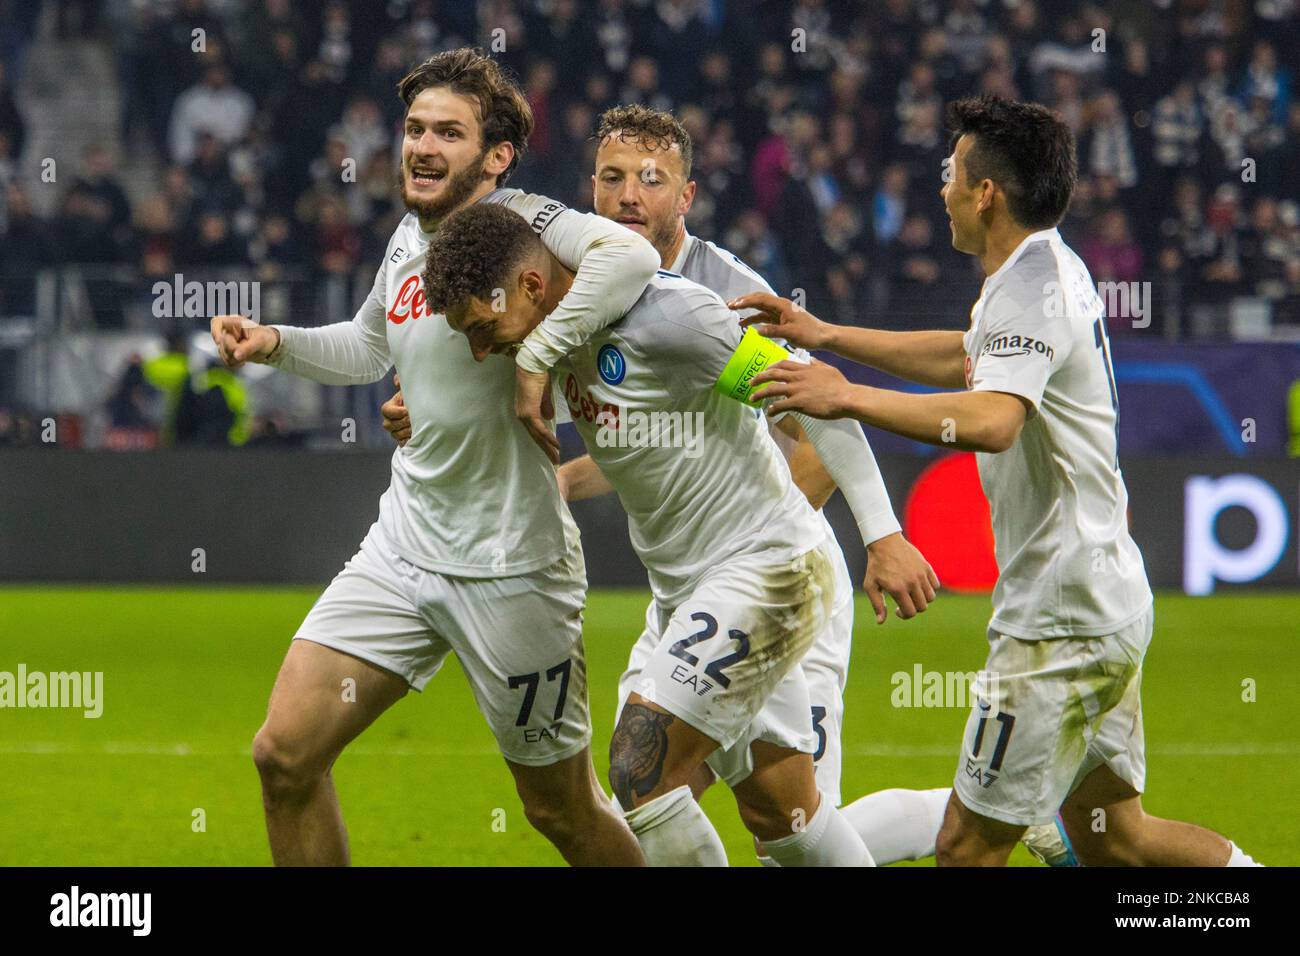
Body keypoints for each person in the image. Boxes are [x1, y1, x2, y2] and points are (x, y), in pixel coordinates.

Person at [735, 95, 1262, 867]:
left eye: (951, 174)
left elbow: (993, 419)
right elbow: (967, 356)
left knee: (965, 846)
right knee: (1121, 844)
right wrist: (827, 337)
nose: (941, 189)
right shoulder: (1039, 268)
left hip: (1059, 622)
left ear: (986, 193)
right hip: (1103, 597)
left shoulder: (1030, 283)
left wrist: (844, 395)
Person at [209, 48, 661, 867]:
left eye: (448, 133)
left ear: (496, 156)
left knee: (560, 810)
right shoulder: (407, 237)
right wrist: (272, 341)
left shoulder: (529, 221)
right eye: (414, 128)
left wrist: (535, 359)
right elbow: (364, 346)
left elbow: (633, 257)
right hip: (405, 547)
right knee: (284, 756)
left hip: (512, 567)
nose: (421, 146)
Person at [427, 200, 912, 866]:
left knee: (640, 767)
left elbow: (817, 408)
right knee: (785, 818)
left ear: (534, 287)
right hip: (685, 591)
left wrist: (884, 536)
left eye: (486, 328)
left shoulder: (674, 320)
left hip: (766, 568)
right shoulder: (555, 336)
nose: (485, 350)